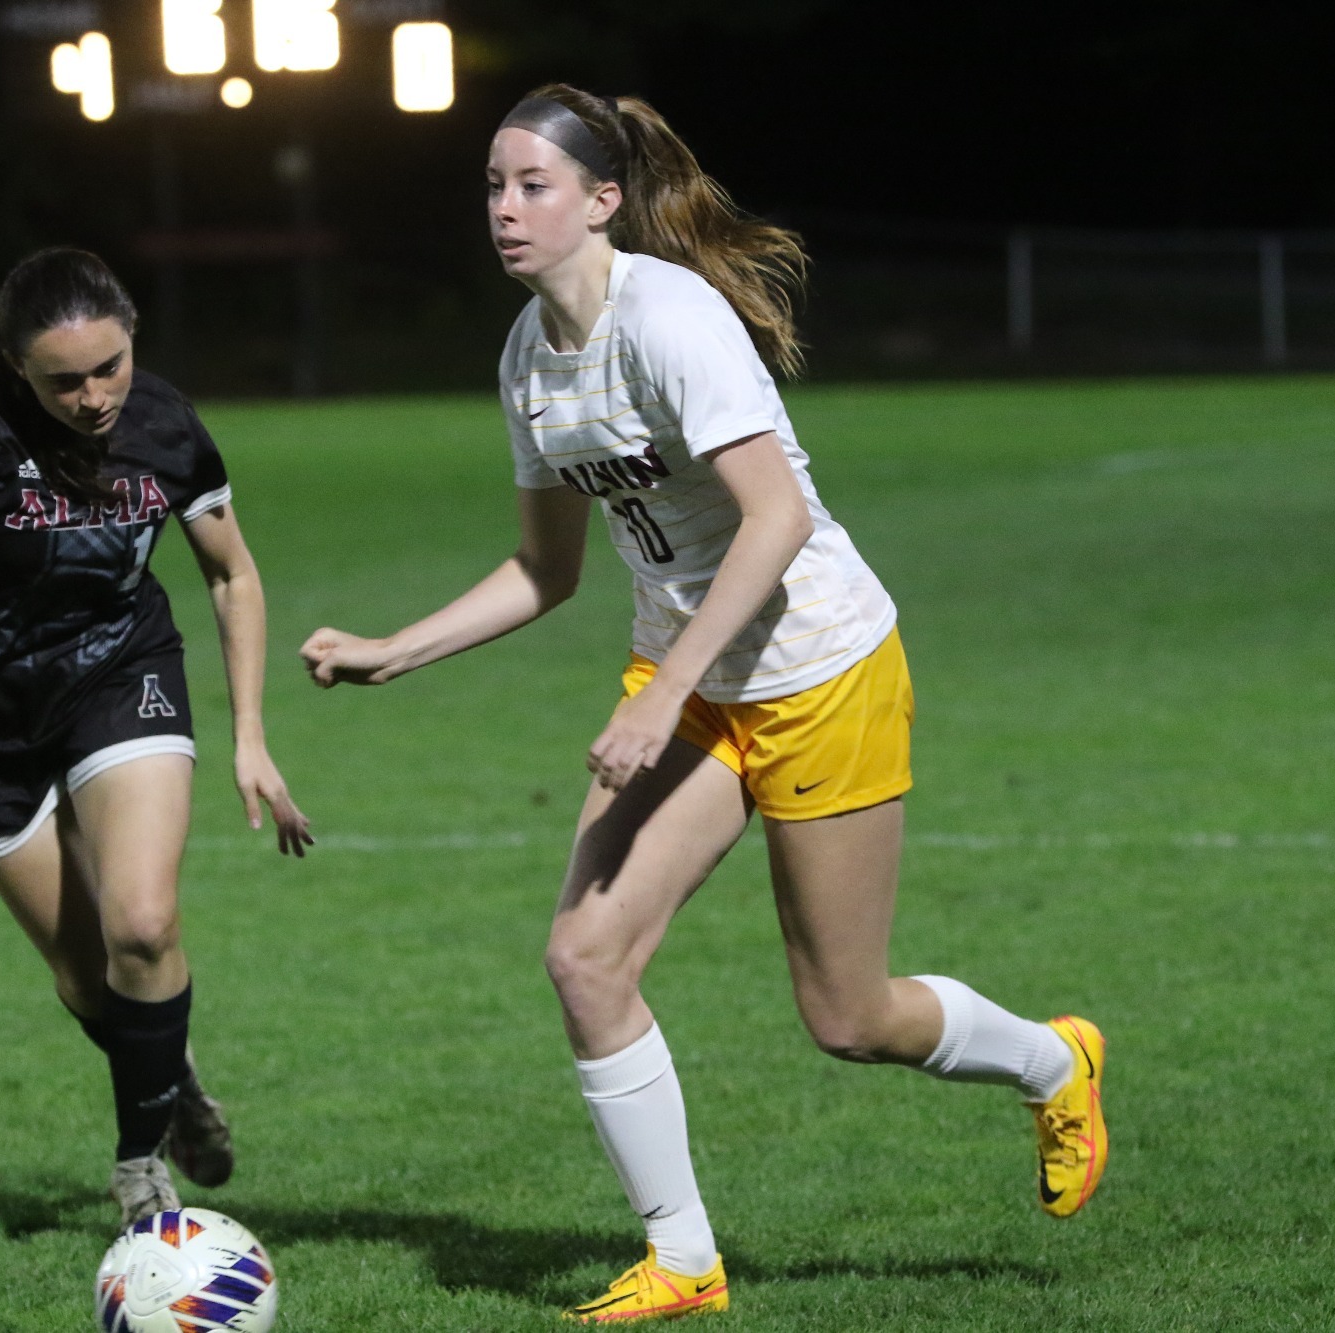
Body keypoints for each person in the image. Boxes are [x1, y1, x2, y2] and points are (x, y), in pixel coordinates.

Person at [299, 86, 1103, 1322]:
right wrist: (394, 649)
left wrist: (659, 689)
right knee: (583, 959)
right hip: (686, 685)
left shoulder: (669, 318)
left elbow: (776, 518)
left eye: (533, 186)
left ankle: (1056, 1059)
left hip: (818, 671)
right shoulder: (526, 356)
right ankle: (684, 1262)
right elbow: (545, 570)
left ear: (601, 201)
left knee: (847, 1015)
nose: (505, 211)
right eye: (492, 188)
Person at [0, 247, 313, 1227]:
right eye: (64, 379)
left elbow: (231, 575)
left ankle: (139, 1162)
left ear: (133, 339)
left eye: (110, 366)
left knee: (141, 926)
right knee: (86, 975)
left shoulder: (164, 424)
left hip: (121, 673)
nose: (95, 395)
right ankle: (169, 1072)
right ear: (15, 365)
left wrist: (251, 737)